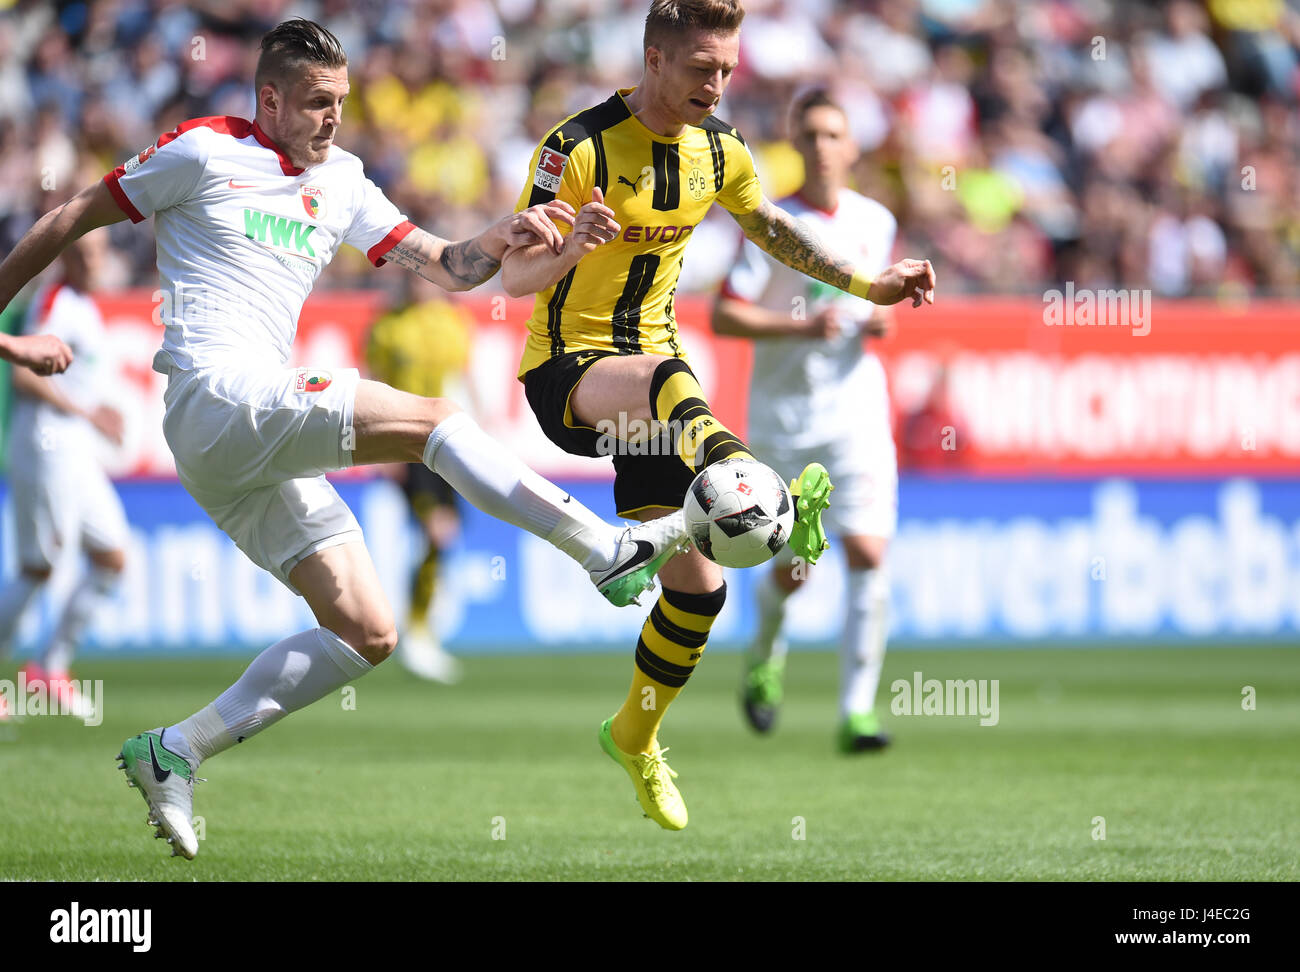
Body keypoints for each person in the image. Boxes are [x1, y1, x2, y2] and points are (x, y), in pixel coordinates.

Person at [0, 18, 679, 860]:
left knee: (368, 631)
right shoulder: (204, 150)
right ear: (270, 97)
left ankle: (174, 751)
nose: (333, 119)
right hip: (217, 395)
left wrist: (516, 234)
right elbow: (73, 214)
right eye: (317, 103)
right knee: (434, 422)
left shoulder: (347, 181)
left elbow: (452, 267)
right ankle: (601, 548)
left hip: (243, 447)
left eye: (343, 103)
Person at [500, 0, 936, 830]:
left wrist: (870, 286)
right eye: (703, 68)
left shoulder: (720, 149)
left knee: (699, 597)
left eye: (728, 69)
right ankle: (749, 472)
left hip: (657, 403)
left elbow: (771, 227)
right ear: (654, 60)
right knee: (673, 371)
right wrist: (570, 245)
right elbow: (514, 279)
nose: (719, 83)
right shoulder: (577, 147)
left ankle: (634, 733)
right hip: (569, 375)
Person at [713, 88, 898, 752]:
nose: (822, 146)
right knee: (796, 566)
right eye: (811, 134)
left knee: (867, 551)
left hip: (856, 415)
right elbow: (724, 314)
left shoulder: (875, 221)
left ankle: (857, 712)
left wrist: (882, 314)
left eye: (833, 134)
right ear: (796, 144)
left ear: (851, 146)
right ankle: (765, 652)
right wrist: (799, 325)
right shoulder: (770, 222)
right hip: (786, 421)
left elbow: (879, 305)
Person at [0, 230, 125, 723]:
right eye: (83, 253)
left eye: (98, 253)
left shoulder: (87, 307)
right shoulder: (53, 300)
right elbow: (23, 375)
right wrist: (86, 412)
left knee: (112, 557)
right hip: (45, 444)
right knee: (40, 567)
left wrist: (98, 413)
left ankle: (49, 669)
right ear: (66, 256)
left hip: (77, 450)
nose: (92, 262)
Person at [364, 275, 475, 683]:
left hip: (450, 440)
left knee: (445, 533)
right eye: (411, 278)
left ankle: (421, 626)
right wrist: (379, 447)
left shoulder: (451, 322)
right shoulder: (388, 326)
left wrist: (485, 428)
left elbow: (465, 376)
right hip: (407, 443)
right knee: (437, 530)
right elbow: (374, 384)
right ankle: (415, 631)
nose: (418, 286)